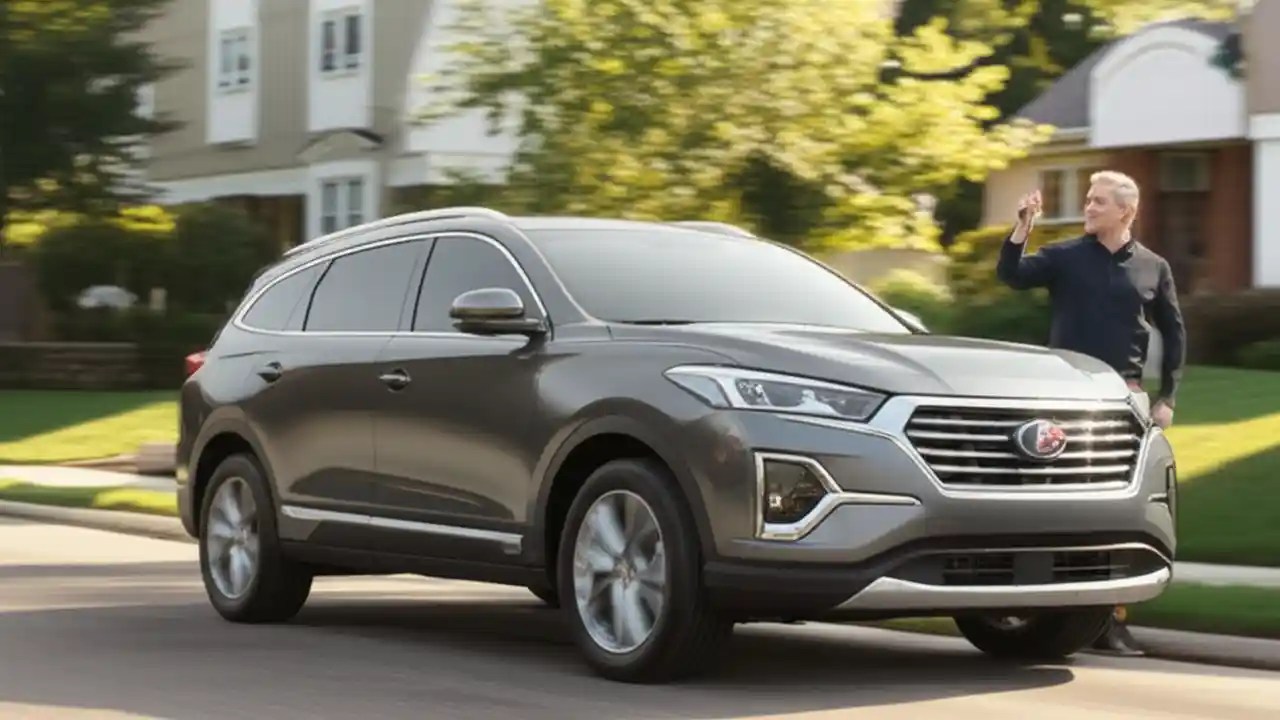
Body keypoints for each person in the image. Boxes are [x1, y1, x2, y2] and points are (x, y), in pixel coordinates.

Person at [996, 170, 1186, 657]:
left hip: (1121, 403)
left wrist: (1167, 398)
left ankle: (1111, 620)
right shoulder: (1065, 256)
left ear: (1127, 211)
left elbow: (1175, 332)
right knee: (1059, 508)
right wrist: (1023, 227)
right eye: (1088, 200)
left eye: (1099, 201)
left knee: (1120, 511)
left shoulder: (1153, 266)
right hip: (1063, 400)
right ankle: (1039, 606)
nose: (1089, 207)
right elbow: (1012, 276)